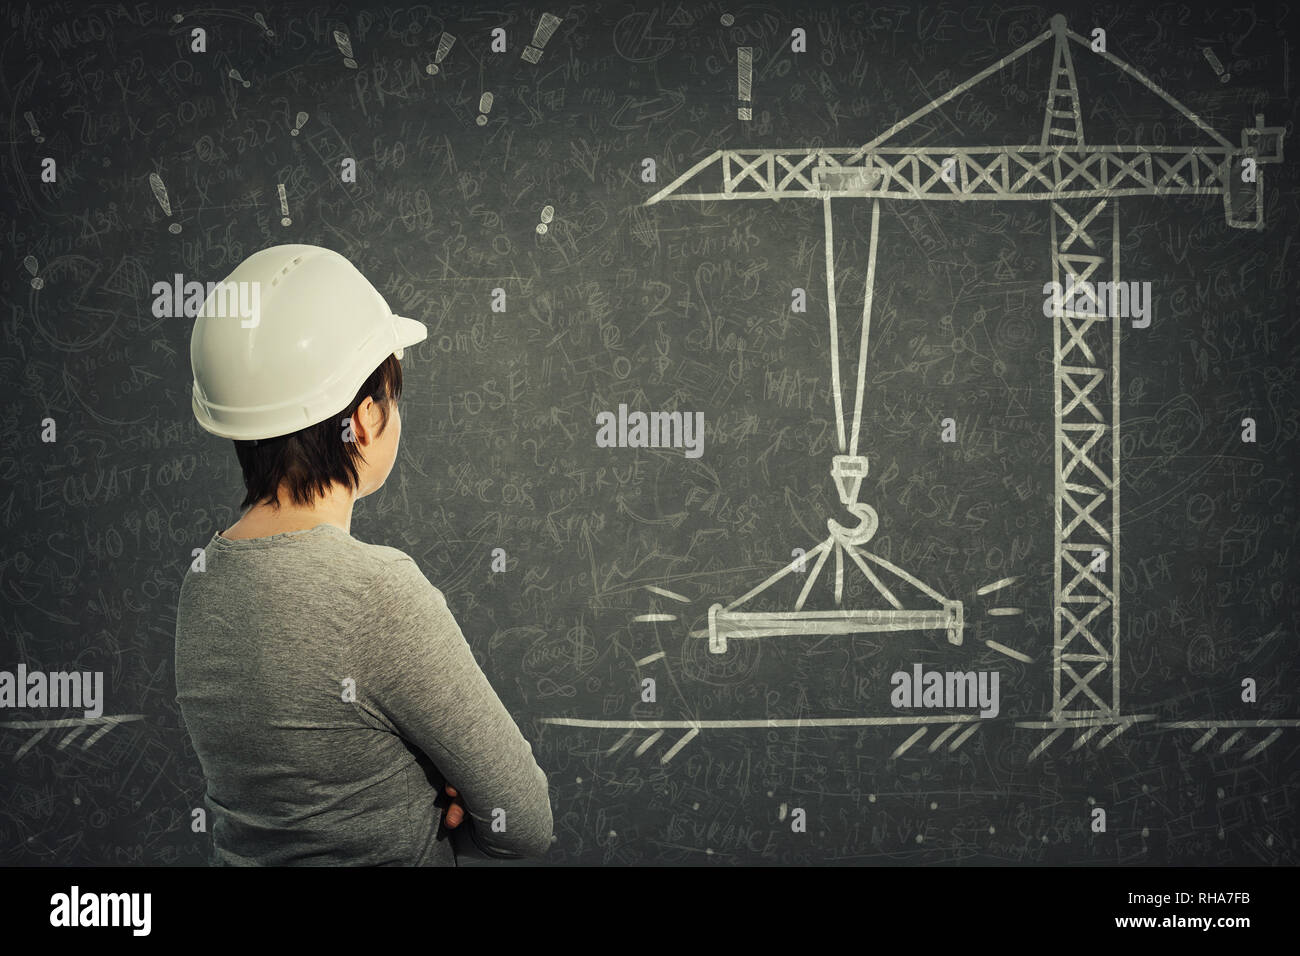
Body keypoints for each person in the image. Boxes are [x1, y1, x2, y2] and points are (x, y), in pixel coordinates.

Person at [174, 244, 552, 865]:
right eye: (391, 397)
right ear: (367, 417)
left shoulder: (205, 581)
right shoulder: (378, 593)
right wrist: (441, 799)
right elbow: (526, 822)